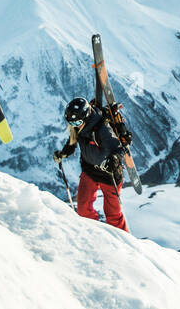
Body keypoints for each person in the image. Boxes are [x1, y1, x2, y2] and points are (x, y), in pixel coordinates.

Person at [54, 96, 130, 232]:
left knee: (114, 216)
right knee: (83, 210)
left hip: (109, 175)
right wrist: (64, 153)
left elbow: (119, 149)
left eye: (77, 122)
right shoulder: (79, 127)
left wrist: (113, 161)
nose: (74, 125)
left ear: (86, 117)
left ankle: (126, 245)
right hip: (89, 171)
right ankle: (96, 235)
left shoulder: (102, 129)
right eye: (72, 123)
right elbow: (72, 141)